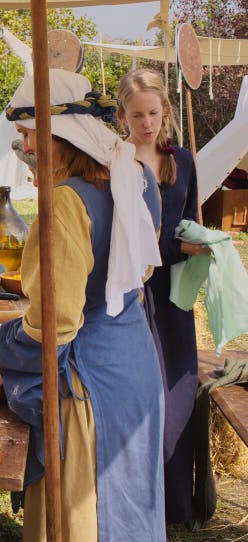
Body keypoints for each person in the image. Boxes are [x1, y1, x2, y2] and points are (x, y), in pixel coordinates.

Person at [0, 69, 166, 540]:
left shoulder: (66, 203)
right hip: (137, 368)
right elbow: (140, 273)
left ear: (58, 134)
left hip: (88, 382)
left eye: (28, 133)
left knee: (88, 514)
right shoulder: (137, 178)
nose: (25, 147)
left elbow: (56, 324)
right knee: (129, 506)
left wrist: (5, 370)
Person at [118, 68, 204, 524]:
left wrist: (203, 250)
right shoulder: (114, 159)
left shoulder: (184, 161)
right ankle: (138, 500)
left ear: (165, 111)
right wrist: (177, 244)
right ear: (123, 116)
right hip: (131, 292)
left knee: (178, 391)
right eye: (137, 115)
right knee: (144, 394)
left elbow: (188, 222)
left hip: (173, 297)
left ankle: (175, 506)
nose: (146, 123)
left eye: (153, 113)